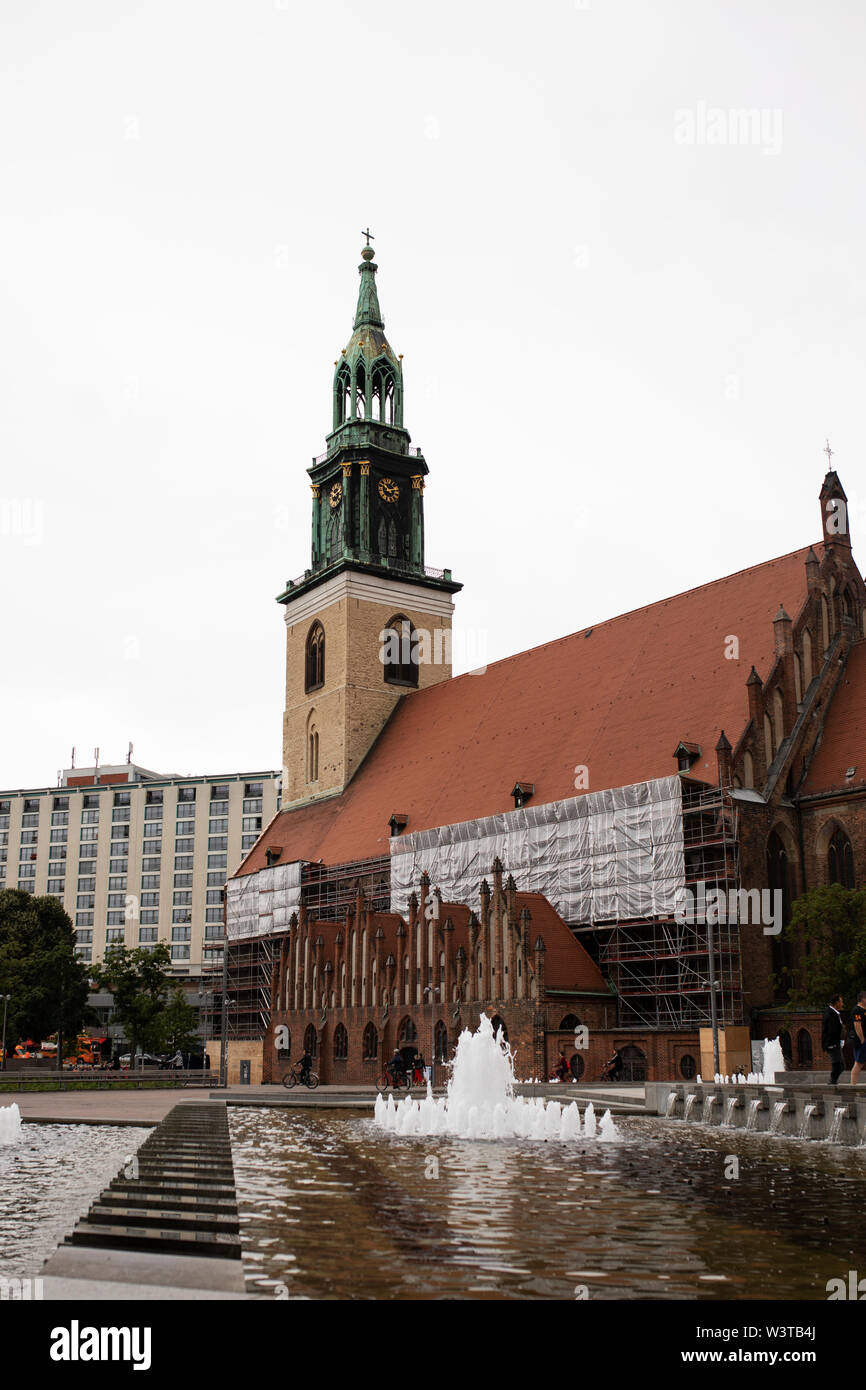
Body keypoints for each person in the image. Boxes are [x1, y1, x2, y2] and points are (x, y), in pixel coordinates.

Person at [821, 994, 845, 1085]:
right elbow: (831, 1030)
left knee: (841, 1065)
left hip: (835, 1043)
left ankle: (833, 1080)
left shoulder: (834, 1013)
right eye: (841, 1001)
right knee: (838, 1063)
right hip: (832, 1043)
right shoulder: (830, 1013)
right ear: (836, 1003)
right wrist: (832, 1043)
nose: (842, 1004)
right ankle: (832, 1081)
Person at [851, 990, 866, 1086]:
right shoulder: (857, 1010)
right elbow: (857, 1025)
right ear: (863, 999)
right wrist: (862, 1039)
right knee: (859, 1063)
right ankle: (853, 1086)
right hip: (861, 1041)